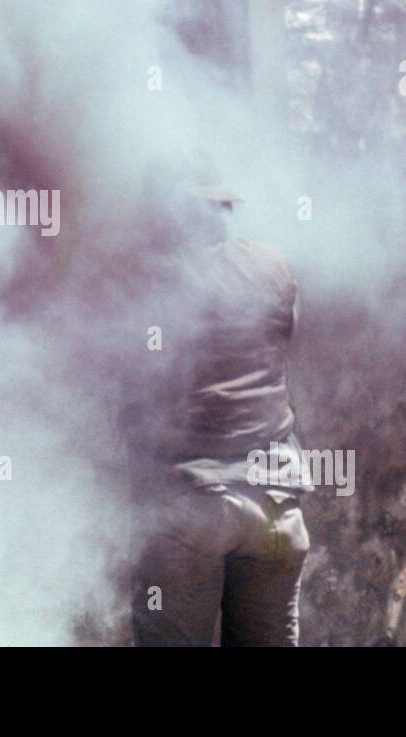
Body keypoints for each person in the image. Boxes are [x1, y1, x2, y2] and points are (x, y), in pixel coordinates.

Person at [127, 161, 312, 647]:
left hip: (193, 502)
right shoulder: (273, 264)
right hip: (275, 507)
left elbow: (125, 378)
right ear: (224, 207)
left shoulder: (156, 279)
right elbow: (285, 335)